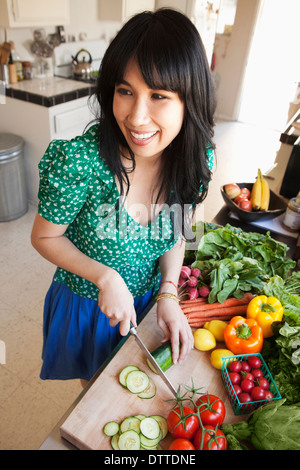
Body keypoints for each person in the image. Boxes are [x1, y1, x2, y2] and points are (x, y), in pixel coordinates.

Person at [31, 8, 216, 387]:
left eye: (159, 95)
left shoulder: (196, 161)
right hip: (88, 301)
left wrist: (168, 292)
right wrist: (105, 277)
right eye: (125, 91)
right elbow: (43, 236)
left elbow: (178, 233)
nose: (136, 117)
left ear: (189, 101)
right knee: (95, 390)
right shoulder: (79, 162)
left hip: (148, 299)